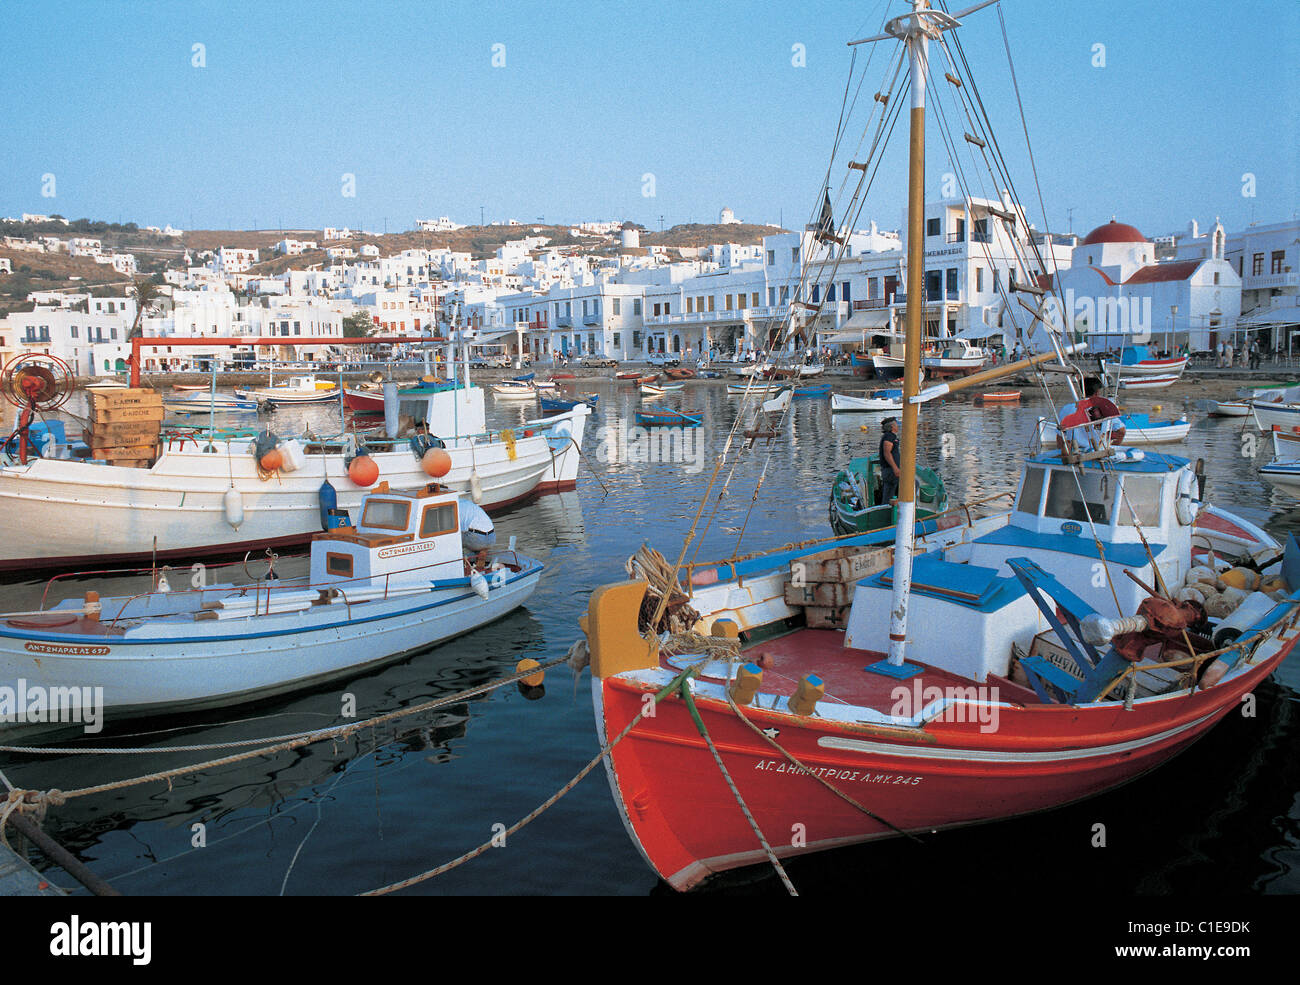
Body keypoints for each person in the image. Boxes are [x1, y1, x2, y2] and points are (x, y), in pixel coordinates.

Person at [879, 417, 901, 507]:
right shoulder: (889, 436)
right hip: (890, 471)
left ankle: (888, 508)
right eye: (897, 424)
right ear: (892, 426)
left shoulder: (890, 436)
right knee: (913, 484)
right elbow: (887, 453)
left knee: (889, 492)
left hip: (890, 470)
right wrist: (895, 468)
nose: (898, 426)